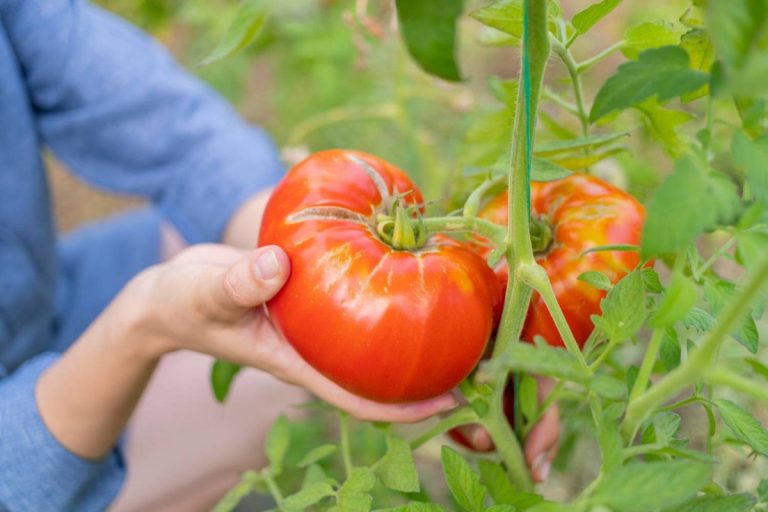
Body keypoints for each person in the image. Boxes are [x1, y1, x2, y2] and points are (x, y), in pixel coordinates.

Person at [0, 1, 559, 510]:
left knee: (231, 270)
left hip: (54, 302)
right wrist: (140, 326)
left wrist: (478, 339)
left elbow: (172, 131)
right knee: (277, 375)